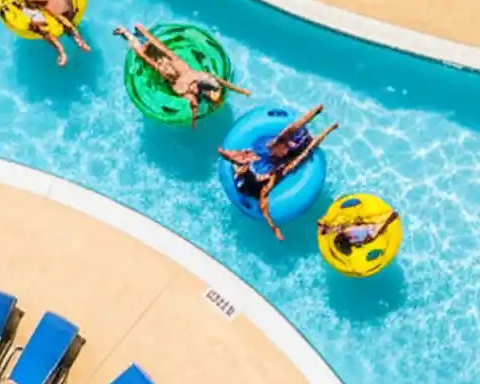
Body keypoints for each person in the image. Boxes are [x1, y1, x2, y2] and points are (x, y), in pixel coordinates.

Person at [217, 104, 338, 241]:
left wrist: (322, 123)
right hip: (273, 165)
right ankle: (232, 158)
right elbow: (297, 127)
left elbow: (238, 157)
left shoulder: (268, 165)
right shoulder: (272, 164)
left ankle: (316, 114)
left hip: (261, 171)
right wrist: (318, 117)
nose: (287, 146)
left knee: (272, 146)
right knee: (292, 155)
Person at [113, 23, 250, 128]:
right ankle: (136, 33)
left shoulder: (192, 94)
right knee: (151, 44)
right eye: (212, 93)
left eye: (211, 96)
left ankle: (126, 33)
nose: (210, 94)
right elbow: (221, 82)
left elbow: (194, 105)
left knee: (144, 54)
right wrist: (240, 90)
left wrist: (194, 120)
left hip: (163, 69)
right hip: (170, 59)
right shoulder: (199, 77)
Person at [318, 210, 400, 256]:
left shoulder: (346, 232)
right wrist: (389, 220)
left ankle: (328, 229)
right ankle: (328, 229)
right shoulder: (349, 233)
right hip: (365, 230)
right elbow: (375, 233)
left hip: (363, 229)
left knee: (343, 228)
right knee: (374, 232)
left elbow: (341, 229)